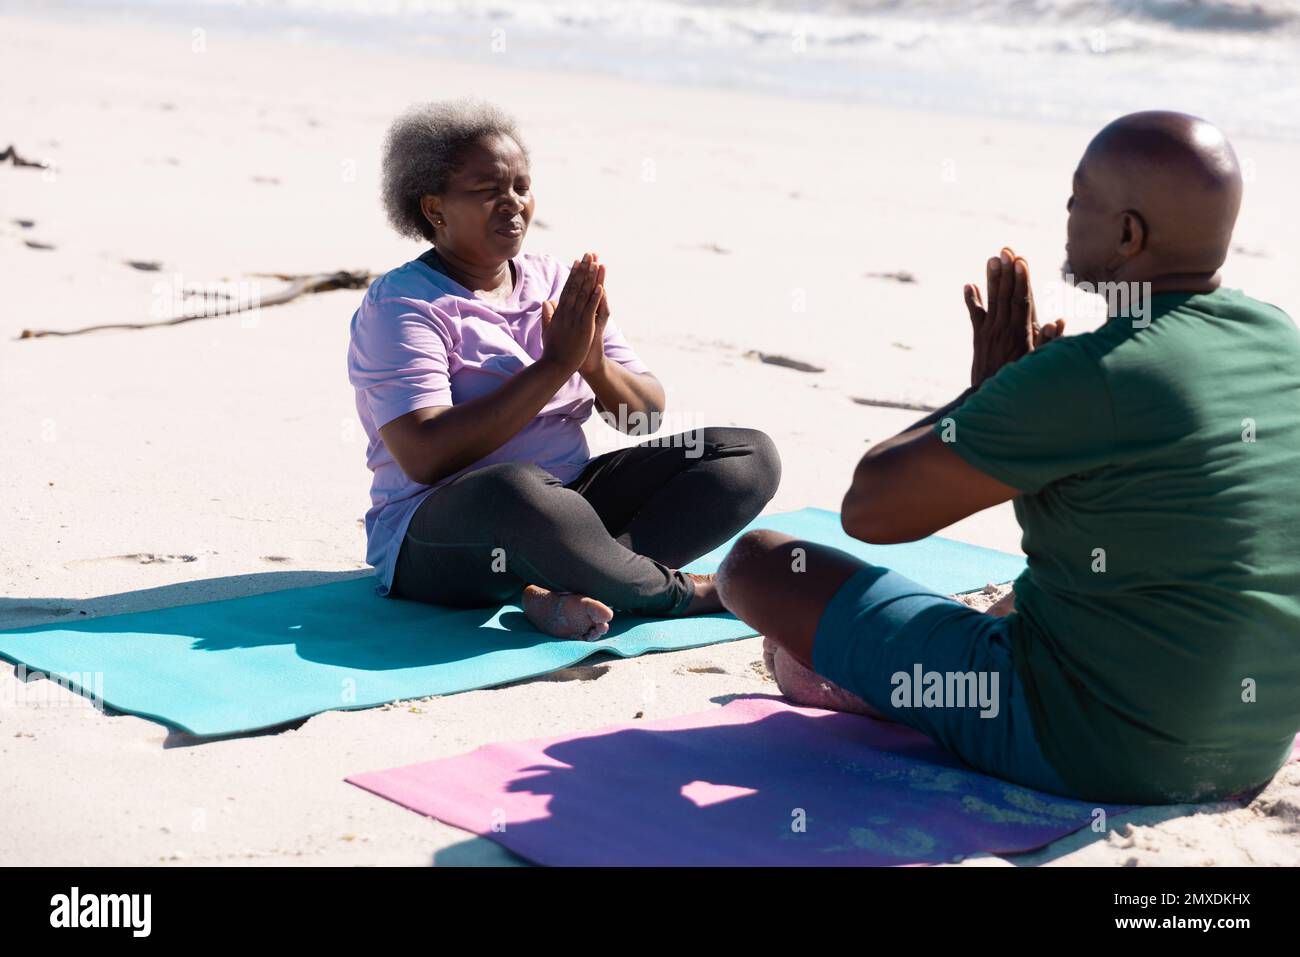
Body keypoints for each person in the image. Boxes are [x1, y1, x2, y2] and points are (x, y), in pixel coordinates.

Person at [716, 111, 1300, 805]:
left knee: (761, 564)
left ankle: (893, 694)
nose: (1067, 208)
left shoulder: (1090, 371)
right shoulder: (1277, 337)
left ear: (1127, 234)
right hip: (1253, 738)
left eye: (1080, 196)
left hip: (1094, 750)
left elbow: (870, 511)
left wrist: (982, 393)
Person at [347, 99, 781, 641]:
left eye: (521, 188)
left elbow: (641, 420)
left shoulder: (553, 280)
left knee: (744, 456)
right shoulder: (403, 306)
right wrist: (555, 365)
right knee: (515, 489)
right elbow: (426, 456)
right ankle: (677, 593)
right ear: (435, 210)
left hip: (566, 506)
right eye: (488, 191)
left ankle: (578, 584)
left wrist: (593, 363)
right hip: (444, 530)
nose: (512, 204)